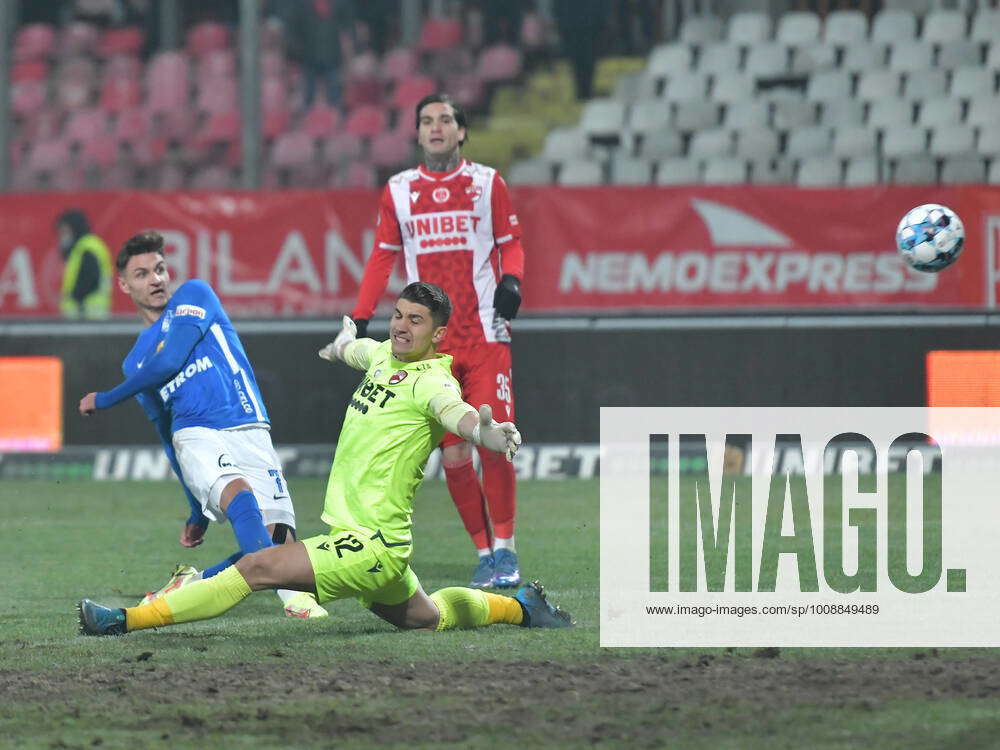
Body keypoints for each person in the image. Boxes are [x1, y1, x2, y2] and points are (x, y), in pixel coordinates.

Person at [78, 283, 572, 636]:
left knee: (257, 568)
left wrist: (484, 431)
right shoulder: (382, 356)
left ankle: (125, 621)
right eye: (398, 314)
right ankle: (521, 608)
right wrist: (342, 346)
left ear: (438, 337)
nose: (400, 326)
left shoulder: (433, 382)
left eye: (415, 321)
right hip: (376, 543)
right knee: (428, 617)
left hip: (370, 547)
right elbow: (359, 350)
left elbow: (459, 415)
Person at [78, 231, 327, 619]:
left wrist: (104, 399)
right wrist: (195, 509)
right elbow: (164, 433)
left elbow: (170, 361)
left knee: (278, 545)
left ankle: (191, 585)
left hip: (248, 424)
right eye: (142, 274)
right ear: (124, 285)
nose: (156, 279)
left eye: (159, 269)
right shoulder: (135, 362)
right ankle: (292, 598)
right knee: (241, 497)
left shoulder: (195, 295)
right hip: (194, 433)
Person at [350, 93, 526, 590]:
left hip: (485, 335)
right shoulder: (399, 190)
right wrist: (360, 317)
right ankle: (484, 552)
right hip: (436, 351)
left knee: (494, 443)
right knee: (453, 457)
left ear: (461, 131)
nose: (435, 127)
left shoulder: (488, 183)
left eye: (445, 119)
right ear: (418, 132)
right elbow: (382, 258)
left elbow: (510, 243)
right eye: (426, 120)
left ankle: (508, 551)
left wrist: (512, 280)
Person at [56, 209, 113, 320]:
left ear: (74, 229)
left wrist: (74, 296)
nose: (62, 237)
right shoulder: (85, 247)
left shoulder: (86, 248)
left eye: (64, 232)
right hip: (89, 315)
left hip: (87, 315)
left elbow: (89, 280)